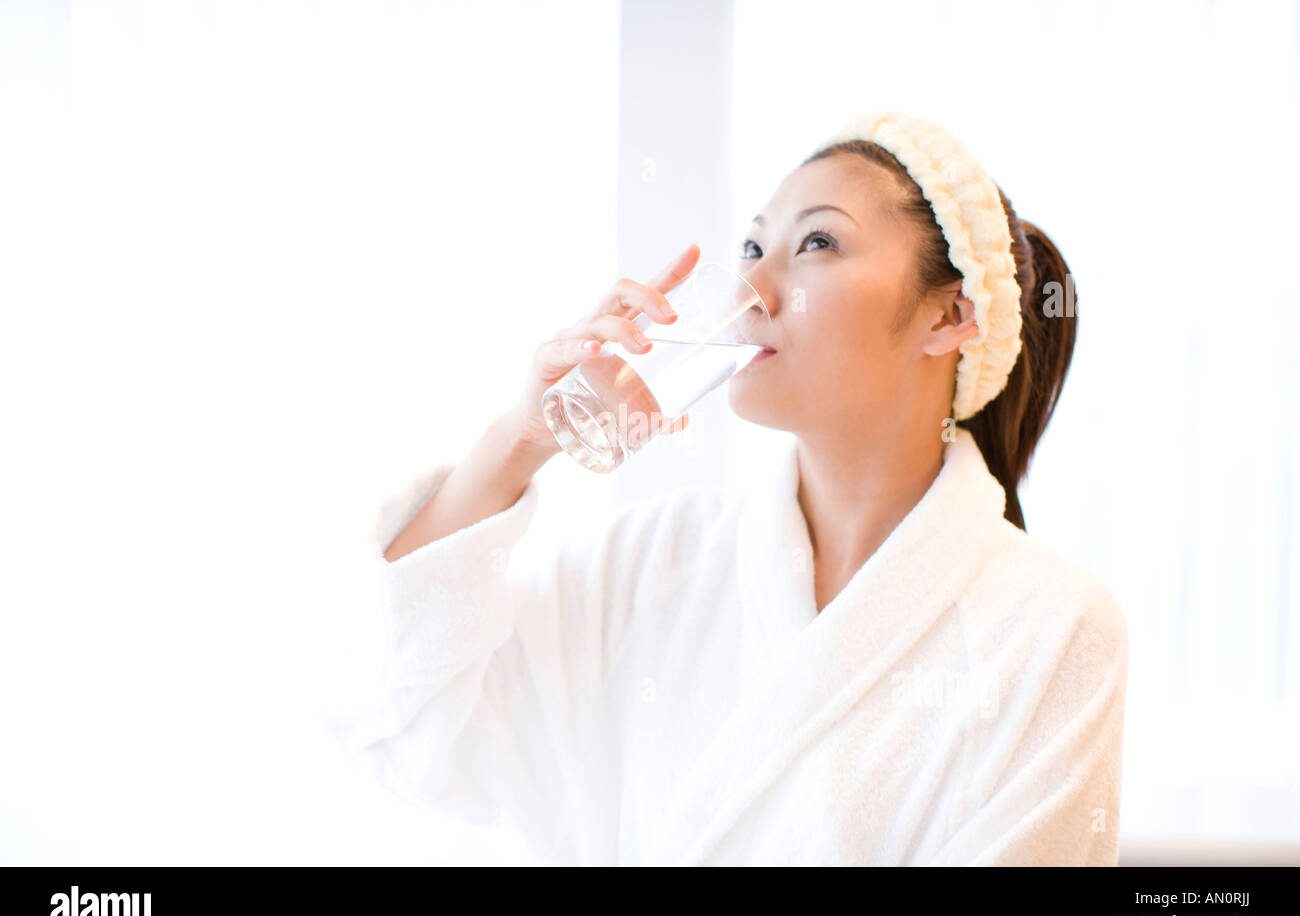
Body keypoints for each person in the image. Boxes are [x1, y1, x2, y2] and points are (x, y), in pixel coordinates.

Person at [346, 111, 1129, 866]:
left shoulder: (1054, 626)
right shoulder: (653, 561)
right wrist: (519, 441)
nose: (751, 284)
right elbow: (414, 735)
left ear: (950, 315)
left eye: (817, 242)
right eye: (751, 245)